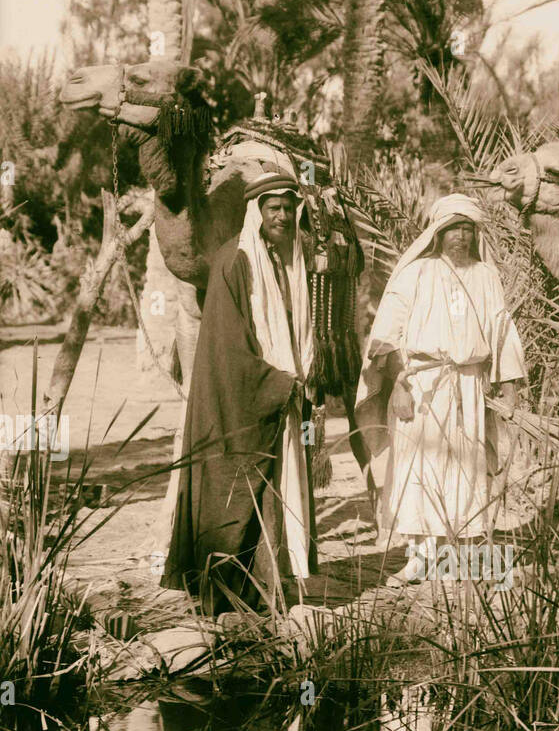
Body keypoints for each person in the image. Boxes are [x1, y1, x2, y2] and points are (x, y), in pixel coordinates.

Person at [164, 171, 318, 615]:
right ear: (258, 213)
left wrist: (298, 378)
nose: (283, 216)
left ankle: (269, 587)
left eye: (289, 208)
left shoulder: (288, 262)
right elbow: (230, 346)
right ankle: (225, 593)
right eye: (274, 209)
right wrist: (278, 383)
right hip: (238, 398)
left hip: (278, 392)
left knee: (275, 488)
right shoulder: (236, 260)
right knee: (234, 489)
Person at [354, 193, 526, 583]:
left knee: (466, 466)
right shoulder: (416, 274)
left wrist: (509, 387)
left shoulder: (487, 276)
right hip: (422, 385)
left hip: (469, 385)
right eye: (453, 228)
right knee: (421, 466)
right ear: (437, 232)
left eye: (468, 228)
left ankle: (456, 554)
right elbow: (386, 336)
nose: (461, 236)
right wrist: (399, 384)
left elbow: (502, 331)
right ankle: (418, 556)